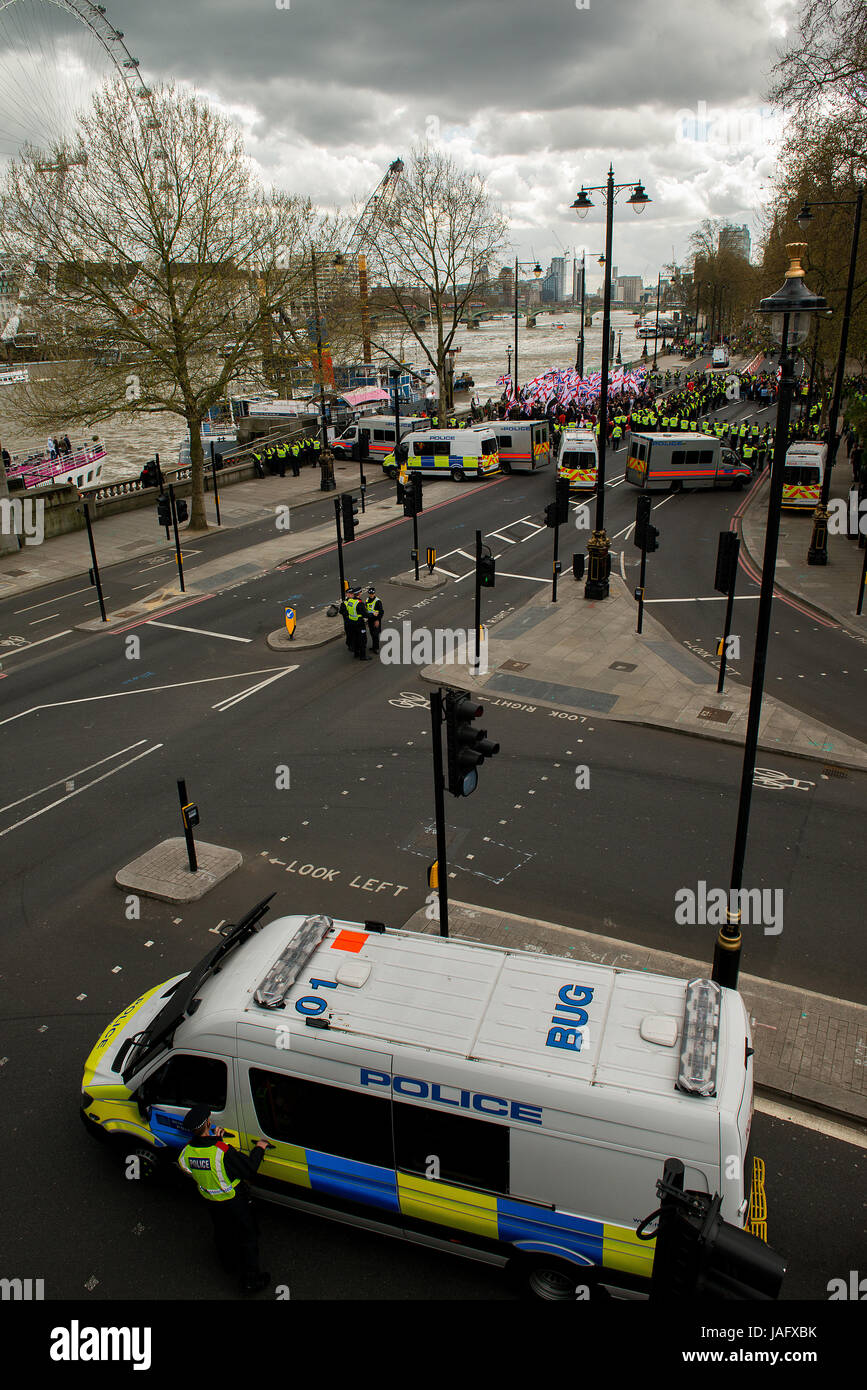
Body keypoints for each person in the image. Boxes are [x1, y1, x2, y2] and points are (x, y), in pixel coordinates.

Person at [177, 1104, 270, 1295]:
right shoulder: (222, 1150)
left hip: (211, 1202)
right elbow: (249, 1168)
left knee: (222, 1233)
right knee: (248, 1237)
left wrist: (215, 1140)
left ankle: (229, 1265)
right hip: (233, 1200)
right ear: (208, 1123)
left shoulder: (186, 1152)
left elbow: (189, 1169)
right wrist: (260, 1148)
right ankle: (251, 1281)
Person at [340, 584, 368, 660]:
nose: (350, 595)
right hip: (354, 623)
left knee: (355, 638)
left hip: (352, 623)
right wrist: (372, 614)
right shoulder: (352, 602)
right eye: (349, 593)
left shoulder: (351, 601)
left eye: (351, 593)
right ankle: (361, 655)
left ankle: (356, 651)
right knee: (360, 639)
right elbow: (365, 614)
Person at [365, 584, 384, 655]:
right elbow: (366, 609)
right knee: (372, 633)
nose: (371, 595)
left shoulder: (378, 601)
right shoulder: (367, 600)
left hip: (376, 620)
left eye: (372, 594)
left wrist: (377, 620)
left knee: (376, 635)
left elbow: (381, 612)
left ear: (374, 593)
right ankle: (373, 647)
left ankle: (376, 648)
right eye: (370, 594)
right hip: (370, 619)